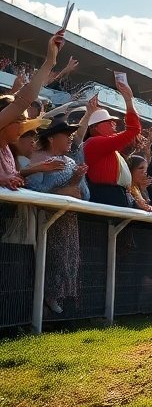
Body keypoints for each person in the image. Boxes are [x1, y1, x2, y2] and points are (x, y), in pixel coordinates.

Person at [27, 117, 90, 315]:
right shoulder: (37, 159)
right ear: (52, 138)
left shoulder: (72, 162)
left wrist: (77, 178)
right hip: (44, 222)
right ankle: (40, 308)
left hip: (68, 223)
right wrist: (61, 193)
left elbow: (84, 194)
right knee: (46, 263)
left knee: (66, 264)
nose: (71, 138)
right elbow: (33, 189)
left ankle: (56, 307)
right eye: (67, 135)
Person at [0, 31, 66, 190]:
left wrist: (34, 170)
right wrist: (50, 61)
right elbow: (23, 100)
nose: (24, 128)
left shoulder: (6, 149)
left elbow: (10, 177)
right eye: (20, 121)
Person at [81, 77, 142, 207]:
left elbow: (133, 133)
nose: (114, 124)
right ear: (95, 127)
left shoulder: (103, 144)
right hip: (105, 196)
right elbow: (134, 129)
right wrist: (128, 100)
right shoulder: (95, 142)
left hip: (112, 195)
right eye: (109, 122)